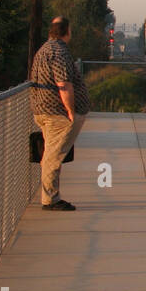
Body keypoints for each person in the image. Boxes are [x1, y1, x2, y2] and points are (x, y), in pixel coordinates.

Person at [29, 16, 91, 210]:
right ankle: (50, 199)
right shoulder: (59, 52)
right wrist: (71, 112)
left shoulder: (44, 50)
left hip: (43, 110)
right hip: (57, 114)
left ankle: (51, 195)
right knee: (54, 156)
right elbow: (63, 84)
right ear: (67, 31)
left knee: (51, 154)